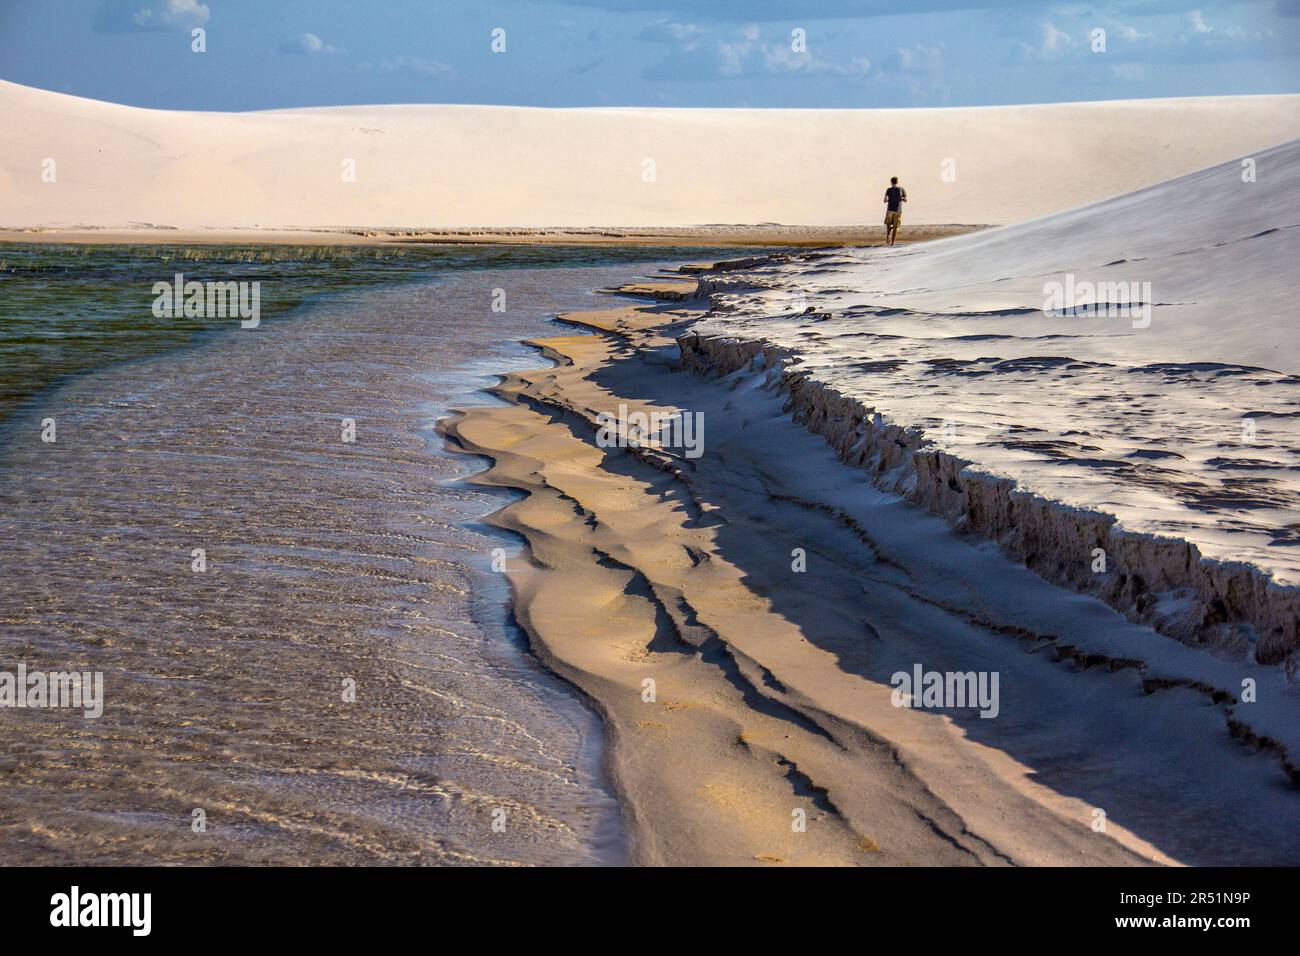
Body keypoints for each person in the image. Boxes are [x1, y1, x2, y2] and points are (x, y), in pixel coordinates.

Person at [883, 176, 907, 245]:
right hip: (898, 210)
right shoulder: (901, 189)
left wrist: (889, 199)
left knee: (888, 224)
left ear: (891, 182)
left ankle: (888, 236)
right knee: (895, 227)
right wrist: (900, 199)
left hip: (890, 209)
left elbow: (884, 200)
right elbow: (905, 200)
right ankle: (892, 242)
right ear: (897, 182)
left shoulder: (889, 190)